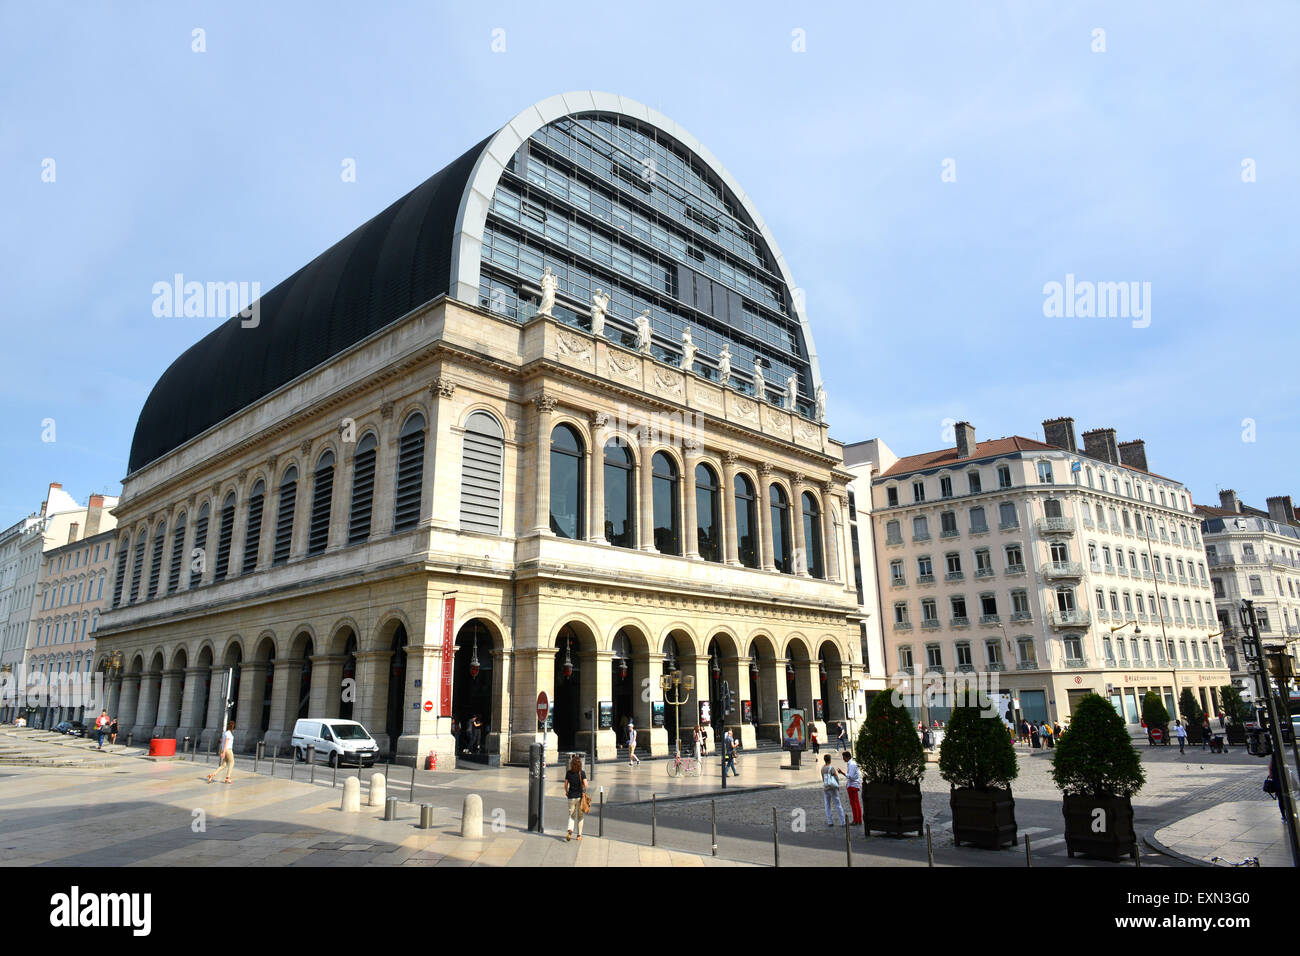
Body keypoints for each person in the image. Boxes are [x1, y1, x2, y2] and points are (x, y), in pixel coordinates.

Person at [564, 754, 588, 841]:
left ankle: (570, 830)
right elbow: (586, 785)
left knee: (571, 815)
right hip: (580, 797)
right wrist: (583, 790)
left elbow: (565, 785)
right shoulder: (582, 773)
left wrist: (567, 792)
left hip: (571, 797)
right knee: (580, 816)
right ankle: (579, 835)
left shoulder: (569, 773)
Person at [207, 719, 236, 785]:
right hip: (228, 750)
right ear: (232, 727)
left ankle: (212, 775)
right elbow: (226, 742)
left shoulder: (225, 733)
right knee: (232, 762)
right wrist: (224, 752)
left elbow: (221, 741)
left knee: (223, 765)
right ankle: (227, 778)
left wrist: (222, 751)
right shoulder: (228, 733)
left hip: (223, 749)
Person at [821, 753, 845, 827]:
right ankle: (843, 821)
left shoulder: (822, 768)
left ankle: (829, 821)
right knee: (838, 804)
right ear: (830, 760)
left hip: (826, 788)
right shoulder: (831, 768)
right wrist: (838, 785)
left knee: (827, 805)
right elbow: (836, 777)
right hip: (832, 788)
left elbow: (823, 778)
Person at [842, 751, 862, 825]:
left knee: (854, 803)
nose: (843, 759)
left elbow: (850, 776)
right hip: (854, 785)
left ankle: (856, 819)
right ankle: (858, 819)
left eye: (844, 757)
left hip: (852, 785)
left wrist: (842, 773)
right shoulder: (852, 764)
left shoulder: (851, 765)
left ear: (847, 757)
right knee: (856, 803)